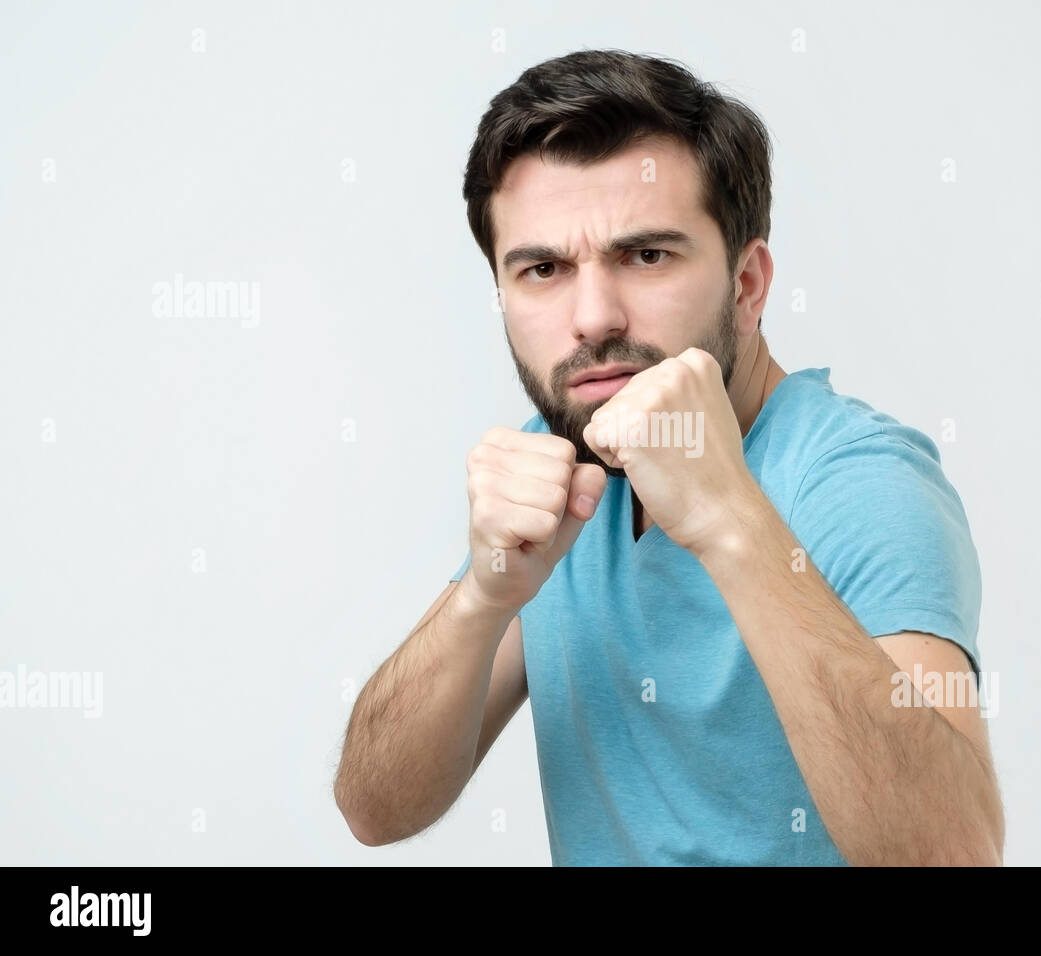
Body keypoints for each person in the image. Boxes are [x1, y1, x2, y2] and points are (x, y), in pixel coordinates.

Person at [334, 48, 1004, 866]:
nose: (592, 317)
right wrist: (482, 597)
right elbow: (374, 810)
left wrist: (731, 522)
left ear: (748, 285)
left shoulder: (859, 481)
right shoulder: (565, 462)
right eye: (543, 269)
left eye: (646, 256)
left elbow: (954, 856)